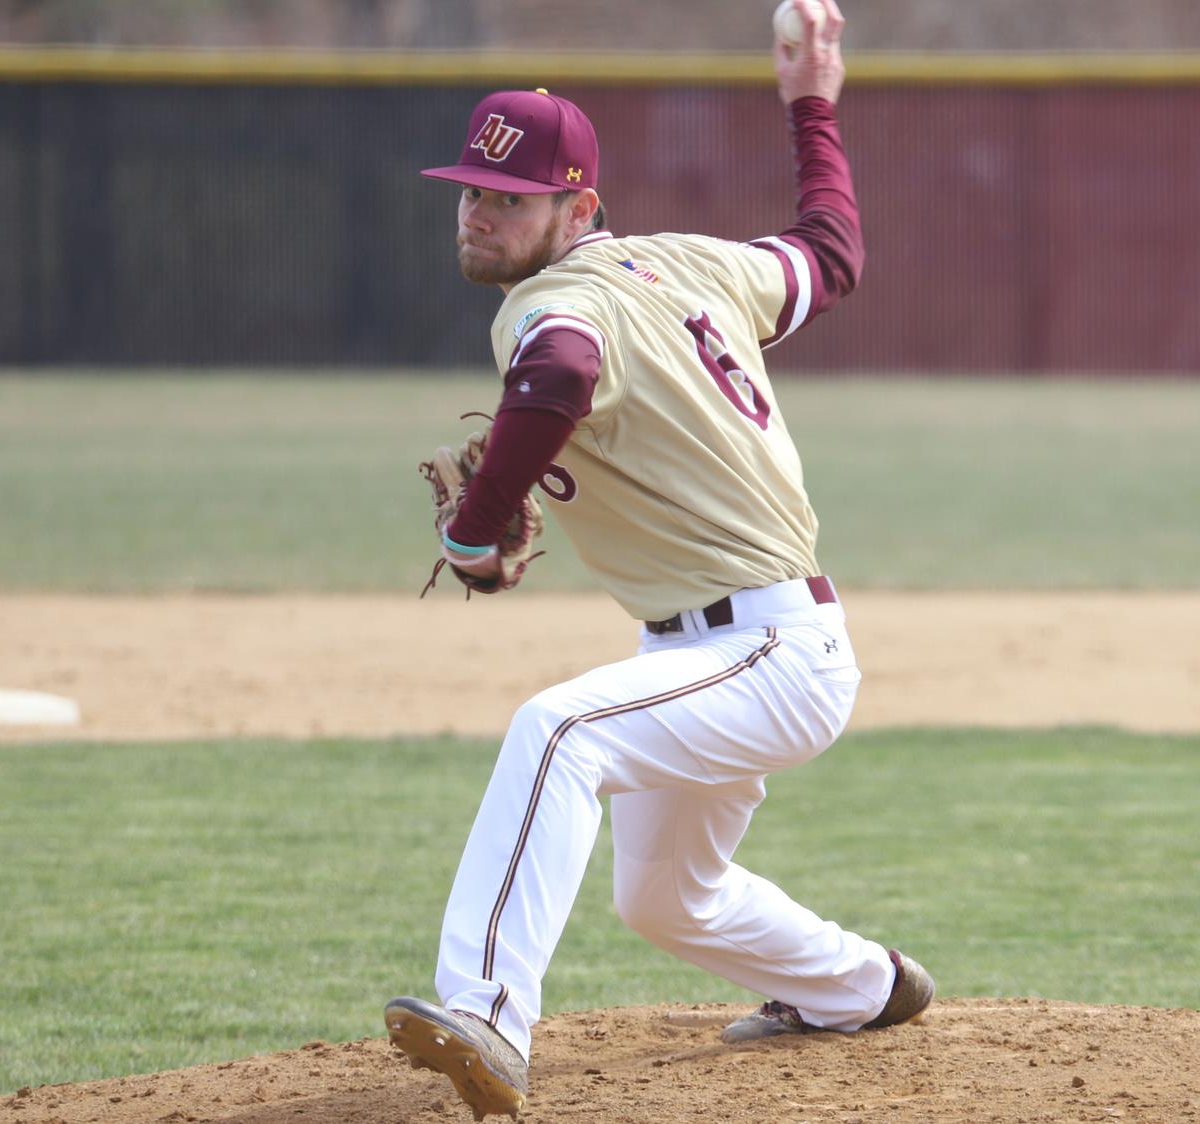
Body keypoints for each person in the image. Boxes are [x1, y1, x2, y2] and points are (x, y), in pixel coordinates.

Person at [381, 2, 932, 1117]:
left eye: (510, 198)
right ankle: (860, 985)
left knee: (557, 729)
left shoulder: (557, 302)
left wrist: (474, 528)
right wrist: (810, 108)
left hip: (768, 648)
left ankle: (485, 1008)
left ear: (577, 205)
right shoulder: (692, 266)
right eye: (471, 193)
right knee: (666, 898)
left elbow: (561, 374)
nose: (479, 215)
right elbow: (830, 253)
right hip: (725, 644)